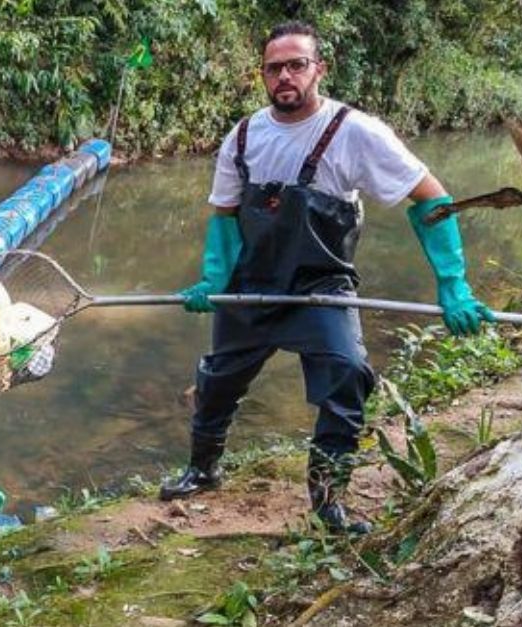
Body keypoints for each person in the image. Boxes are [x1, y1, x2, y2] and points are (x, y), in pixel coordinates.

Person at [158, 21, 495, 534]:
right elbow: (225, 216)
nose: (285, 76)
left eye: (297, 64)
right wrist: (211, 281)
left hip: (321, 289)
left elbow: (432, 198)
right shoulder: (244, 136)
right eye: (275, 68)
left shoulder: (356, 131)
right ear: (263, 76)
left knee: (347, 376)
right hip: (251, 288)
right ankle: (203, 469)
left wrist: (453, 284)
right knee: (218, 382)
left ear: (320, 69)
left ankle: (327, 500)